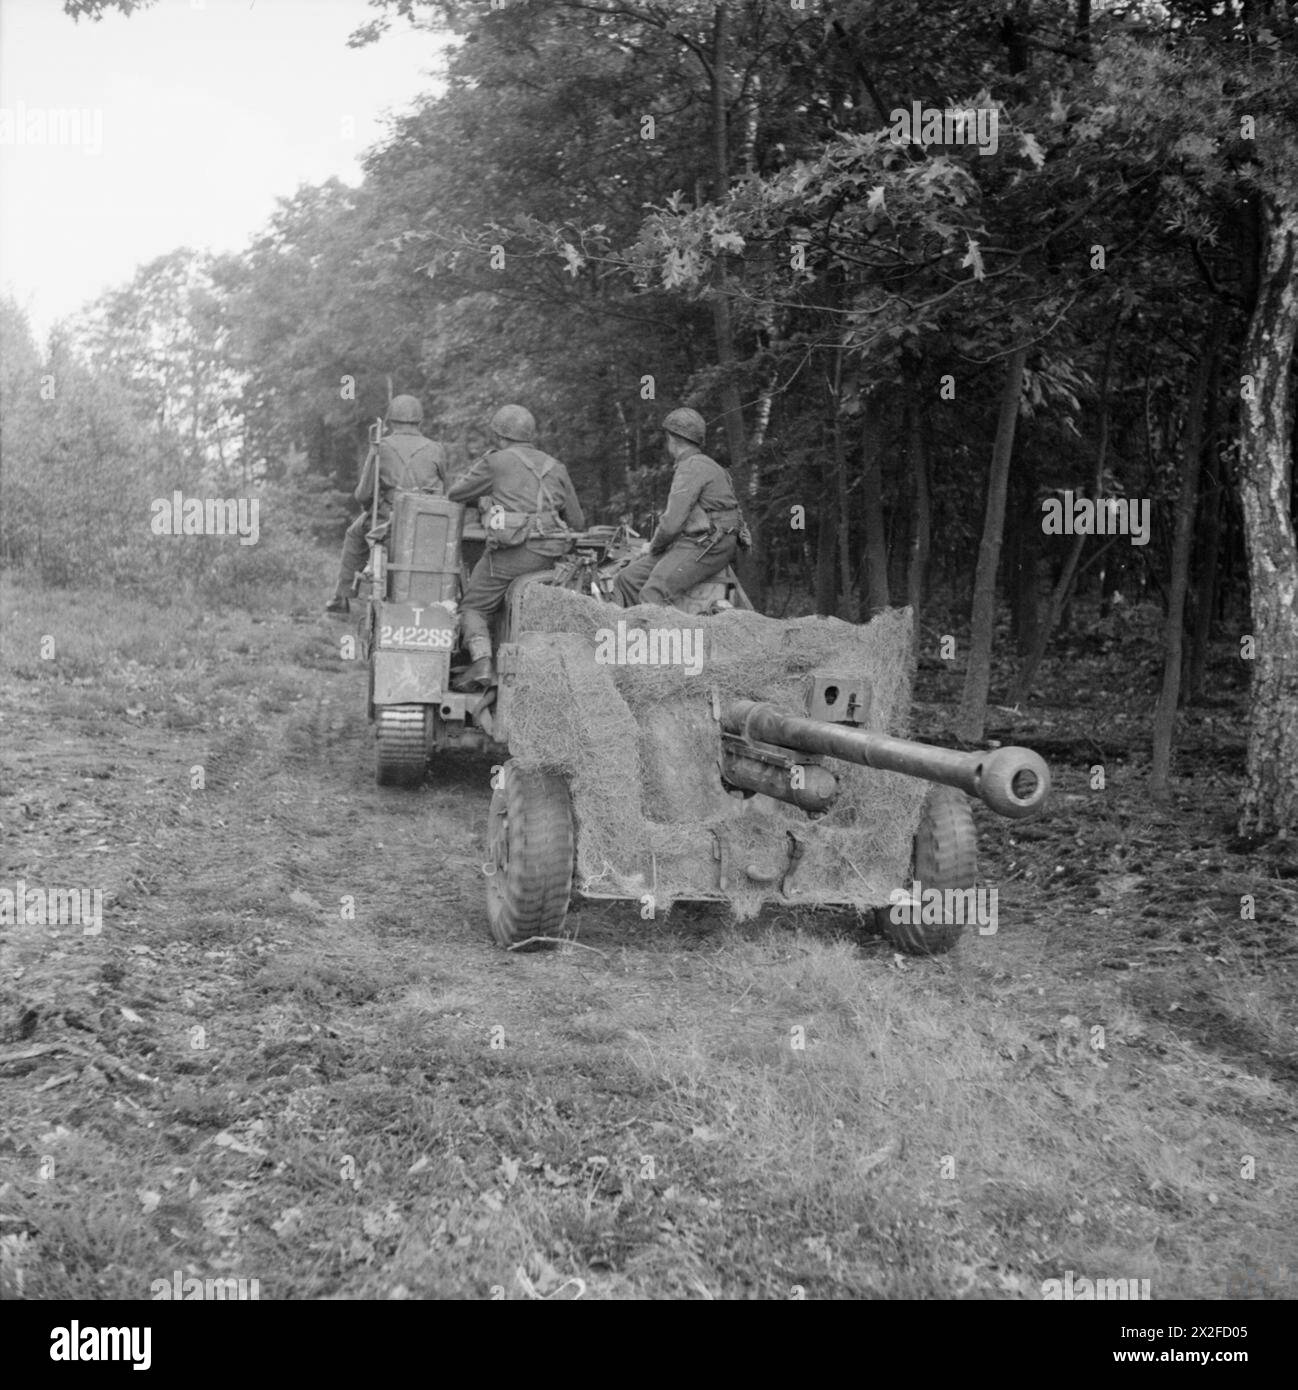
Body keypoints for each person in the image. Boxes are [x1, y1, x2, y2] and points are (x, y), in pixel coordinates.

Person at [447, 404, 585, 690]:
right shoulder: (555, 466)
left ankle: (482, 662)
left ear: (499, 435)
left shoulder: (496, 462)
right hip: (550, 559)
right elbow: (577, 521)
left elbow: (456, 493)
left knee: (473, 606)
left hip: (511, 555)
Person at [326, 394, 447, 615]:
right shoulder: (436, 448)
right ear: (419, 420)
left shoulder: (381, 446)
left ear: (391, 420)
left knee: (354, 533)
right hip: (430, 524)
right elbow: (444, 488)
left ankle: (342, 596)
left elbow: (362, 495)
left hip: (389, 522)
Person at [614, 407, 745, 609]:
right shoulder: (704, 465)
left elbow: (671, 525)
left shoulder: (691, 468)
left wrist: (653, 547)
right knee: (627, 578)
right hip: (698, 540)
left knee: (653, 591)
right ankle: (637, 632)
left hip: (709, 543)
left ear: (672, 439)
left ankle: (659, 639)